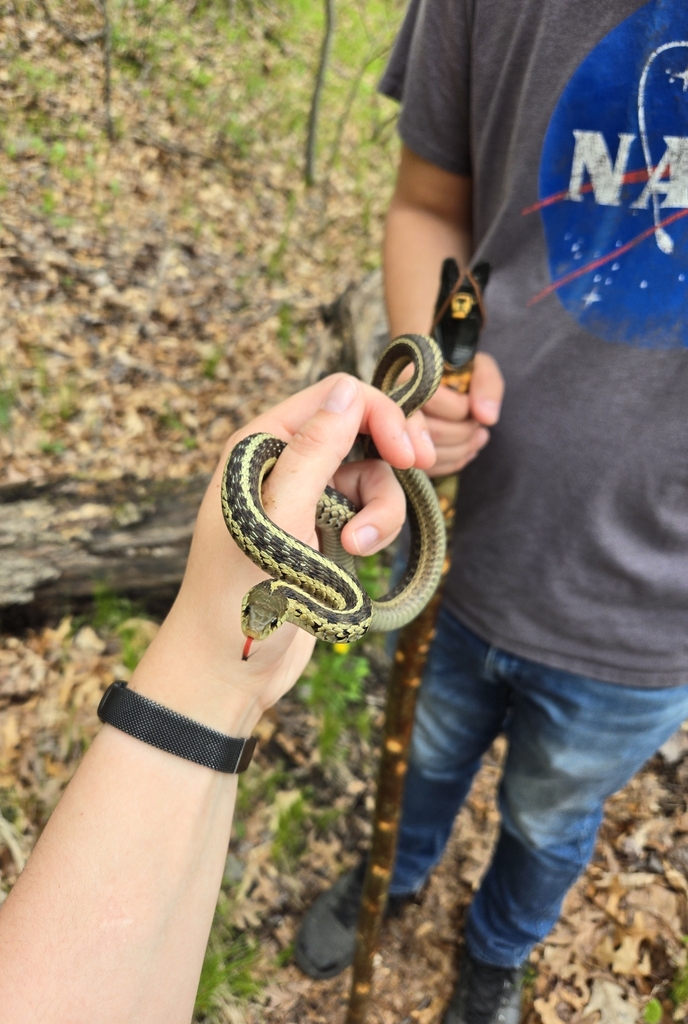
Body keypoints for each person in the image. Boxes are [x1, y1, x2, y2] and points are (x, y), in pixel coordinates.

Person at [294, 3, 688, 1024]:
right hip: (458, 538)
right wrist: (434, 367)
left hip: (651, 619)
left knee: (552, 814)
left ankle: (497, 948)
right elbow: (429, 201)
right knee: (419, 757)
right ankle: (391, 878)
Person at [0, 373, 437, 1024]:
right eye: (257, 622)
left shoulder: (327, 606)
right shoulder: (314, 604)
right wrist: (224, 677)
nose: (251, 634)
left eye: (261, 622)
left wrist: (222, 681)